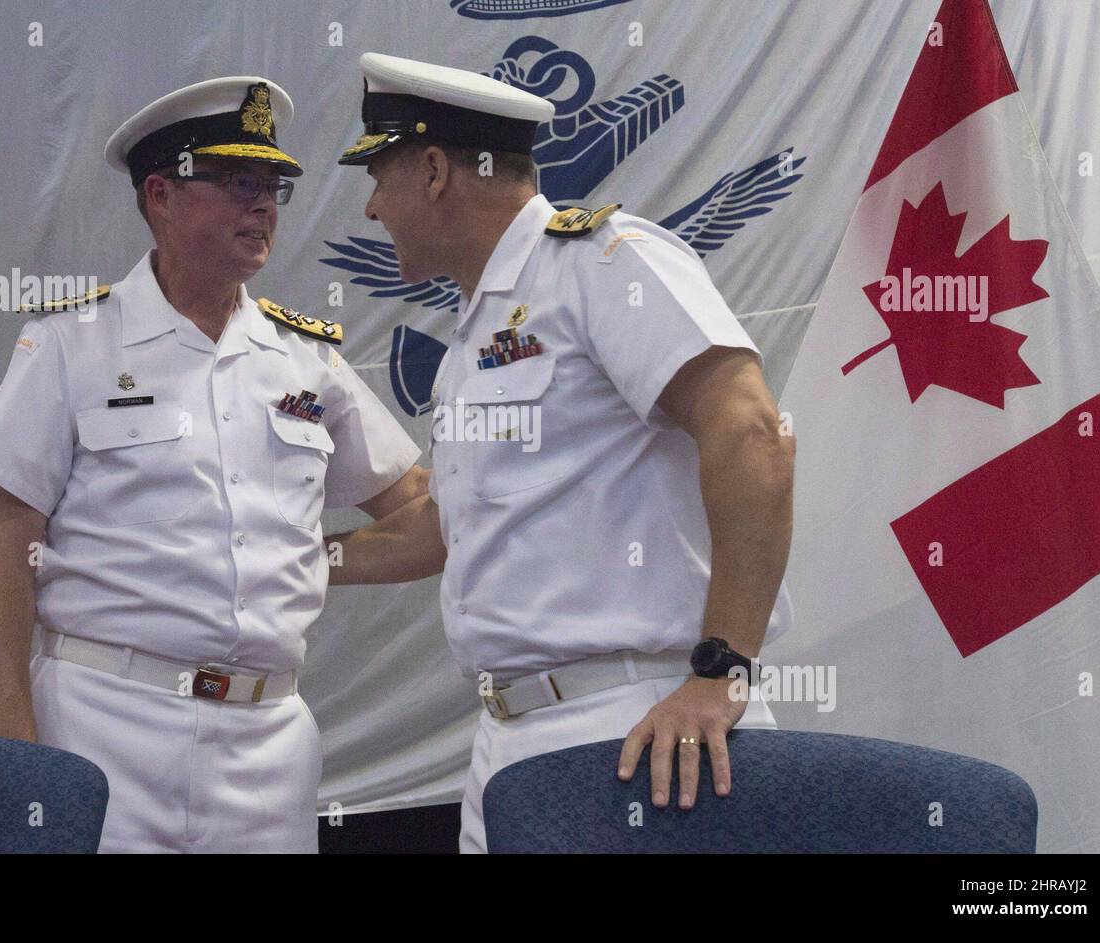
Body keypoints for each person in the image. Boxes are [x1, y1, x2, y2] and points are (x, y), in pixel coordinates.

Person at [328, 53, 795, 853]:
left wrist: (721, 672)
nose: (372, 208)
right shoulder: (472, 341)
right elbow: (441, 530)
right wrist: (287, 557)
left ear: (436, 169)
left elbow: (750, 429)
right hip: (508, 744)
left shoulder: (603, 261)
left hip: (637, 727)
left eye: (380, 177)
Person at [0, 76, 425, 852]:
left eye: (273, 185)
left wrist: (306, 559)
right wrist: (18, 761)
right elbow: (4, 556)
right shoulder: (71, 347)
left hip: (267, 748)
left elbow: (420, 512)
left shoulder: (305, 358)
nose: (265, 205)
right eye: (239, 182)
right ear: (162, 195)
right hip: (102, 726)